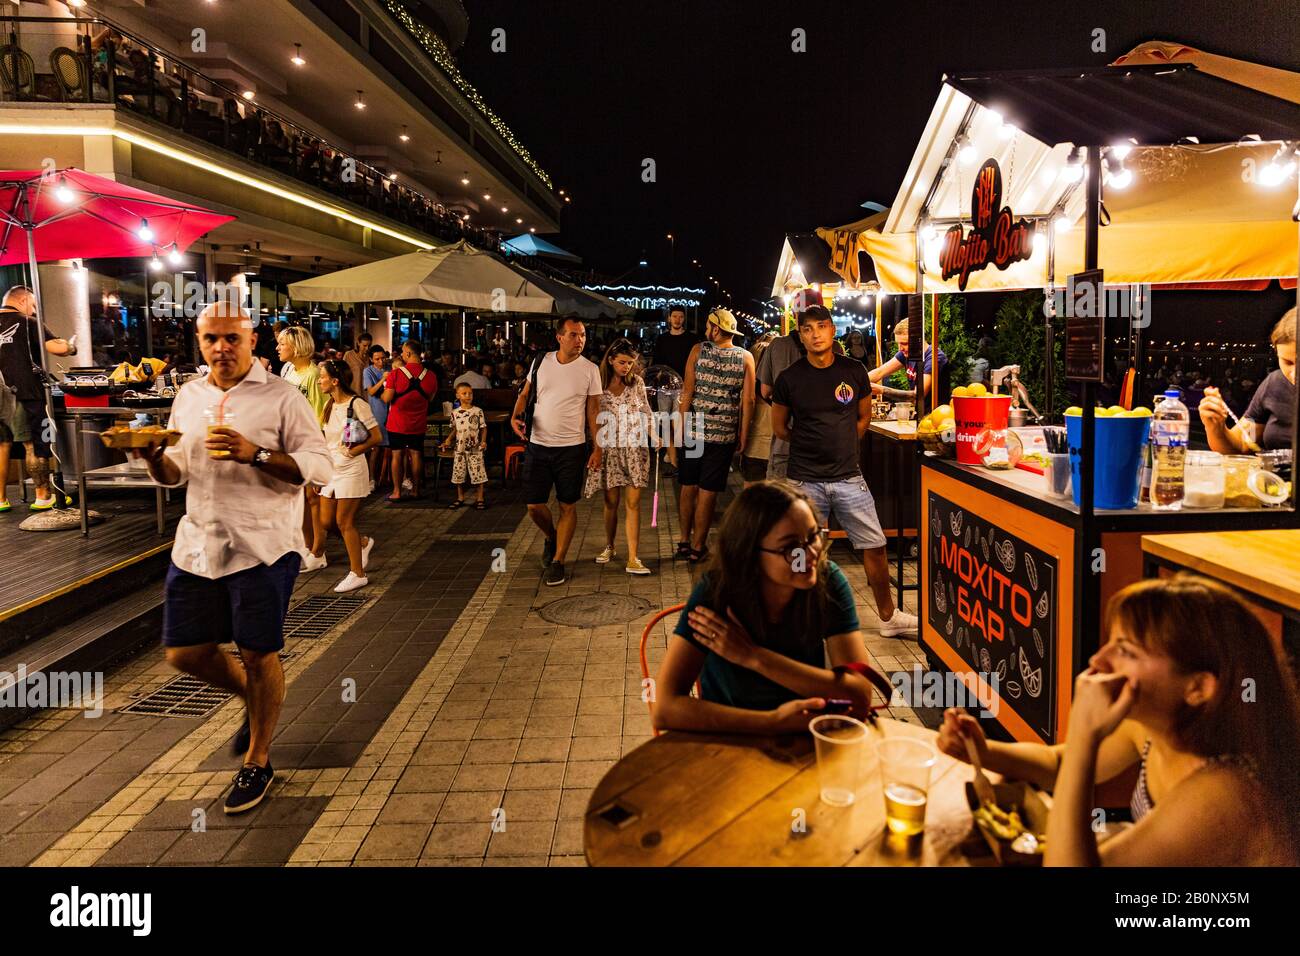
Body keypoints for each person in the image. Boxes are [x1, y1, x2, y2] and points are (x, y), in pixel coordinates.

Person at [938, 574, 1300, 866]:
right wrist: (980, 751)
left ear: (1198, 688)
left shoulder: (1224, 795)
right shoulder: (1152, 728)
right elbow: (1060, 763)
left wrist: (1084, 734)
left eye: (1126, 651)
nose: (1099, 659)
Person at [134, 301, 331, 813]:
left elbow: (319, 467)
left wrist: (257, 454)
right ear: (199, 343)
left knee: (258, 652)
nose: (221, 348)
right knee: (184, 652)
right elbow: (176, 473)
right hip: (197, 543)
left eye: (231, 338)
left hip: (263, 545)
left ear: (252, 340)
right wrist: (155, 460)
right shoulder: (189, 396)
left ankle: (258, 761)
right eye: (210, 340)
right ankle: (253, 695)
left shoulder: (283, 397)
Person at [653, 482, 889, 733]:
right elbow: (665, 709)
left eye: (813, 536)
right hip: (729, 740)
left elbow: (861, 696)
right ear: (750, 554)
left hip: (803, 738)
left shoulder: (827, 582)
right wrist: (772, 722)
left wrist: (755, 657)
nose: (810, 554)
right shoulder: (718, 592)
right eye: (791, 547)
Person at [770, 305, 919, 637]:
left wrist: (842, 443)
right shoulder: (789, 378)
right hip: (804, 478)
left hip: (849, 477)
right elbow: (780, 427)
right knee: (801, 549)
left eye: (821, 326)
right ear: (801, 335)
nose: (815, 334)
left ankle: (888, 618)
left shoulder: (854, 371)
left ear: (832, 329)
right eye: (807, 329)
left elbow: (863, 418)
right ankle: (797, 616)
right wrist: (811, 443)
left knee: (875, 545)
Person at [510, 317, 603, 587]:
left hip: (571, 448)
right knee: (533, 506)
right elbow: (526, 394)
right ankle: (552, 536)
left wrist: (597, 448)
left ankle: (558, 560)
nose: (580, 340)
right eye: (574, 335)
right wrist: (515, 416)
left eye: (583, 335)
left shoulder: (590, 369)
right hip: (538, 444)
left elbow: (594, 411)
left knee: (567, 504)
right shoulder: (541, 362)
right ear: (559, 337)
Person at [676, 308, 753, 563]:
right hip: (724, 434)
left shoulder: (698, 350)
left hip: (694, 430)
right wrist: (743, 434)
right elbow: (748, 401)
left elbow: (687, 393)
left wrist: (680, 428)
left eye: (709, 326)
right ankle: (699, 547)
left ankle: (684, 542)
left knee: (688, 485)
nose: (706, 330)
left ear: (716, 329)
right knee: (708, 490)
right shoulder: (745, 358)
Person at [305, 359, 381, 593]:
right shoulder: (329, 405)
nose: (319, 381)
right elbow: (327, 442)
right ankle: (363, 543)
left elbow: (376, 437)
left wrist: (354, 451)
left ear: (335, 381)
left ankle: (357, 574)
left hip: (351, 468)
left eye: (322, 377)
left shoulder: (357, 404)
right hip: (332, 468)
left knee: (344, 522)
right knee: (327, 521)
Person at [0, 286, 73, 512]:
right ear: (22, 300)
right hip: (26, 392)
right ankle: (43, 496)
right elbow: (57, 348)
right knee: (36, 442)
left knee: (2, 445)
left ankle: (1, 499)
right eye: (32, 305)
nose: (33, 310)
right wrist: (71, 346)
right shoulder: (28, 322)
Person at [585, 338, 655, 575]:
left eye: (631, 363)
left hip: (634, 449)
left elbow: (646, 411)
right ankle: (610, 545)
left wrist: (654, 435)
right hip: (609, 450)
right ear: (611, 360)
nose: (627, 367)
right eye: (623, 362)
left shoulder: (637, 383)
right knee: (610, 502)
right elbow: (592, 414)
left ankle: (634, 557)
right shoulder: (599, 384)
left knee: (633, 503)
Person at [1199, 307, 1295, 453]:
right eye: (1288, 362)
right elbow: (1243, 443)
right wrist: (1216, 428)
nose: (1294, 374)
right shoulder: (1275, 384)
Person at [277, 326, 328, 564]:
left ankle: (318, 550)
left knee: (313, 498)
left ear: (296, 347)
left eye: (282, 344)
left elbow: (320, 412)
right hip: (292, 443)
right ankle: (307, 545)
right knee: (301, 499)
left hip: (309, 442)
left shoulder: (313, 374)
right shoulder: (289, 372)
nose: (278, 348)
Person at [381, 339, 437, 502]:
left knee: (397, 455)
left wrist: (383, 393)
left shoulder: (396, 374)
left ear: (408, 353)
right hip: (418, 422)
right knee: (416, 454)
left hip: (397, 423)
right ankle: (416, 490)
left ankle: (397, 492)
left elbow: (387, 398)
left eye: (403, 352)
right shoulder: (431, 375)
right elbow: (431, 398)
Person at [650, 306, 699, 474]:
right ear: (669, 318)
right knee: (665, 421)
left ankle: (678, 456)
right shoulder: (662, 339)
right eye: (674, 316)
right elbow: (656, 363)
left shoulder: (692, 339)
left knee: (678, 422)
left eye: (680, 316)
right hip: (665, 388)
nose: (677, 319)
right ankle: (671, 457)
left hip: (684, 388)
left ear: (684, 319)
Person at [757, 315, 807, 480]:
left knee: (781, 499)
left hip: (787, 437)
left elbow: (765, 392)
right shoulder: (834, 348)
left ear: (794, 315)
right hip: (825, 445)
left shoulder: (778, 345)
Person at [868, 317, 948, 400]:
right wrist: (857, 381)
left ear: (918, 339)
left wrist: (882, 390)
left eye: (904, 343)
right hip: (918, 410)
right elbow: (880, 372)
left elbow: (919, 394)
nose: (900, 349)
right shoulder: (907, 353)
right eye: (898, 344)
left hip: (936, 411)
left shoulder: (935, 357)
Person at [440, 383, 488, 509]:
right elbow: (455, 429)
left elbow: (483, 428)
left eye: (470, 393)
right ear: (458, 395)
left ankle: (480, 498)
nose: (468, 396)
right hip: (459, 449)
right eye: (464, 393)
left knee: (479, 474)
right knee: (458, 473)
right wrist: (448, 439)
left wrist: (483, 441)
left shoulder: (478, 411)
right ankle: (460, 497)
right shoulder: (455, 413)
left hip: (475, 449)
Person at [742, 333, 776, 488]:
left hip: (753, 447)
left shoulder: (747, 390)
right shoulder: (782, 389)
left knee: (751, 494)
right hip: (776, 449)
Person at [362, 344, 390, 493]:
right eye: (377, 359)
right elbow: (371, 391)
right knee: (375, 449)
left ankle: (395, 478)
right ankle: (371, 479)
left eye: (382, 358)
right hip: (376, 413)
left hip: (391, 412)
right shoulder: (368, 371)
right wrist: (383, 380)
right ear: (371, 359)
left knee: (395, 448)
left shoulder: (390, 369)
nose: (381, 361)